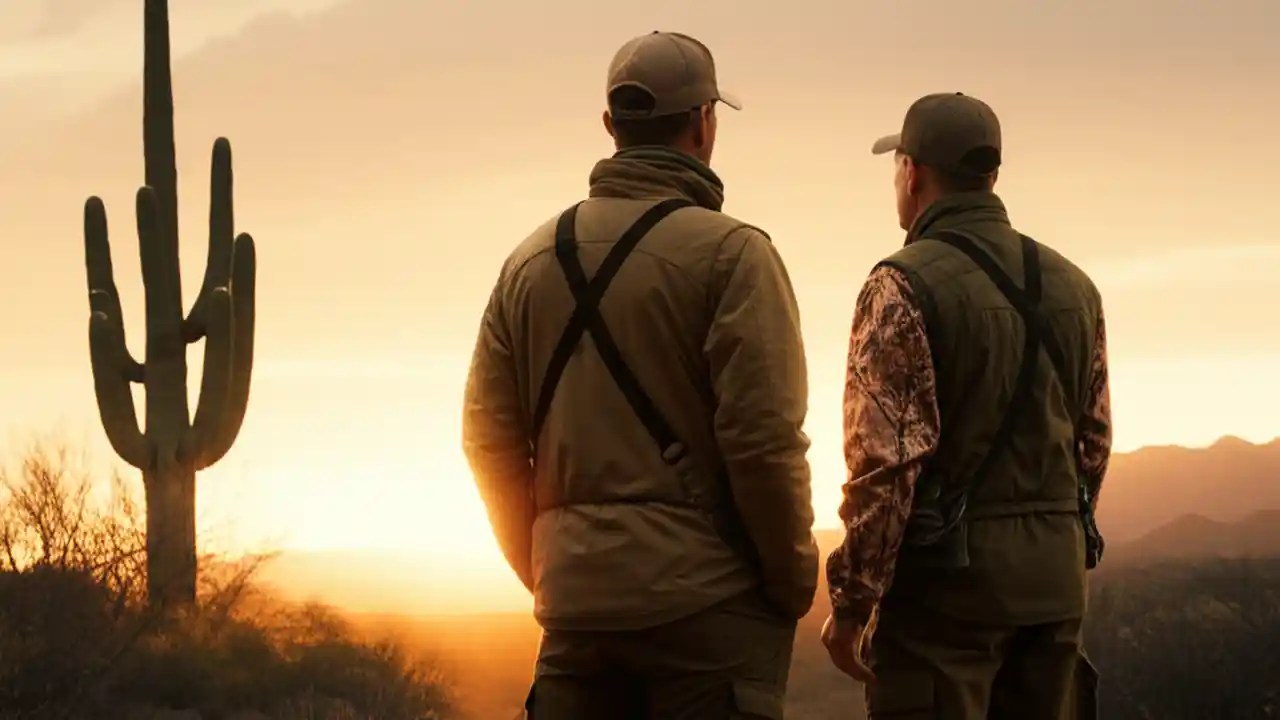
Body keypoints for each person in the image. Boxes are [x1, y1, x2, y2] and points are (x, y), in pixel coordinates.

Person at [462, 30, 819, 719]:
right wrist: (790, 581)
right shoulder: (735, 256)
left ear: (610, 128)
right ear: (704, 123)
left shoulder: (527, 263)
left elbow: (487, 442)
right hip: (710, 615)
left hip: (575, 619)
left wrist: (551, 569)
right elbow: (763, 439)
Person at [819, 92, 1112, 720]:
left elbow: (885, 466)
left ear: (912, 171)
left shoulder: (900, 285)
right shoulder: (1074, 285)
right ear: (991, 174)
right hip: (1056, 591)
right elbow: (1092, 446)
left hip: (948, 603)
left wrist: (851, 603)